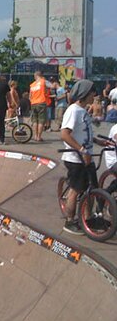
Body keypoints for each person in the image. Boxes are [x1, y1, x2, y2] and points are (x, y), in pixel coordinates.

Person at [61, 79, 96, 233]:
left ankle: (88, 219)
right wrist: (82, 150)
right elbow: (65, 134)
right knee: (76, 189)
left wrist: (100, 141)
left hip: (87, 157)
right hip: (76, 159)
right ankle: (69, 221)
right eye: (92, 92)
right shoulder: (73, 110)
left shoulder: (84, 111)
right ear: (84, 94)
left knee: (93, 189)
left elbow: (84, 133)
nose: (94, 94)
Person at [29, 70, 52, 142]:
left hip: (33, 103)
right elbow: (52, 86)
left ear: (36, 76)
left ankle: (35, 136)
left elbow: (30, 96)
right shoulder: (43, 81)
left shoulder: (32, 85)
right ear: (41, 76)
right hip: (41, 102)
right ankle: (39, 137)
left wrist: (32, 101)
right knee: (41, 120)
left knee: (35, 120)